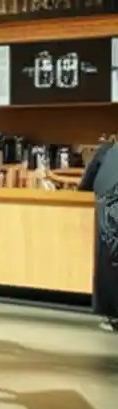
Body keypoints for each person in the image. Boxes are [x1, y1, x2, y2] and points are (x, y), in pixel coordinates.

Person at [79, 138, 118, 331]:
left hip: (107, 211)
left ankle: (111, 315)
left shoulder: (106, 151)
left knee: (108, 263)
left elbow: (86, 184)